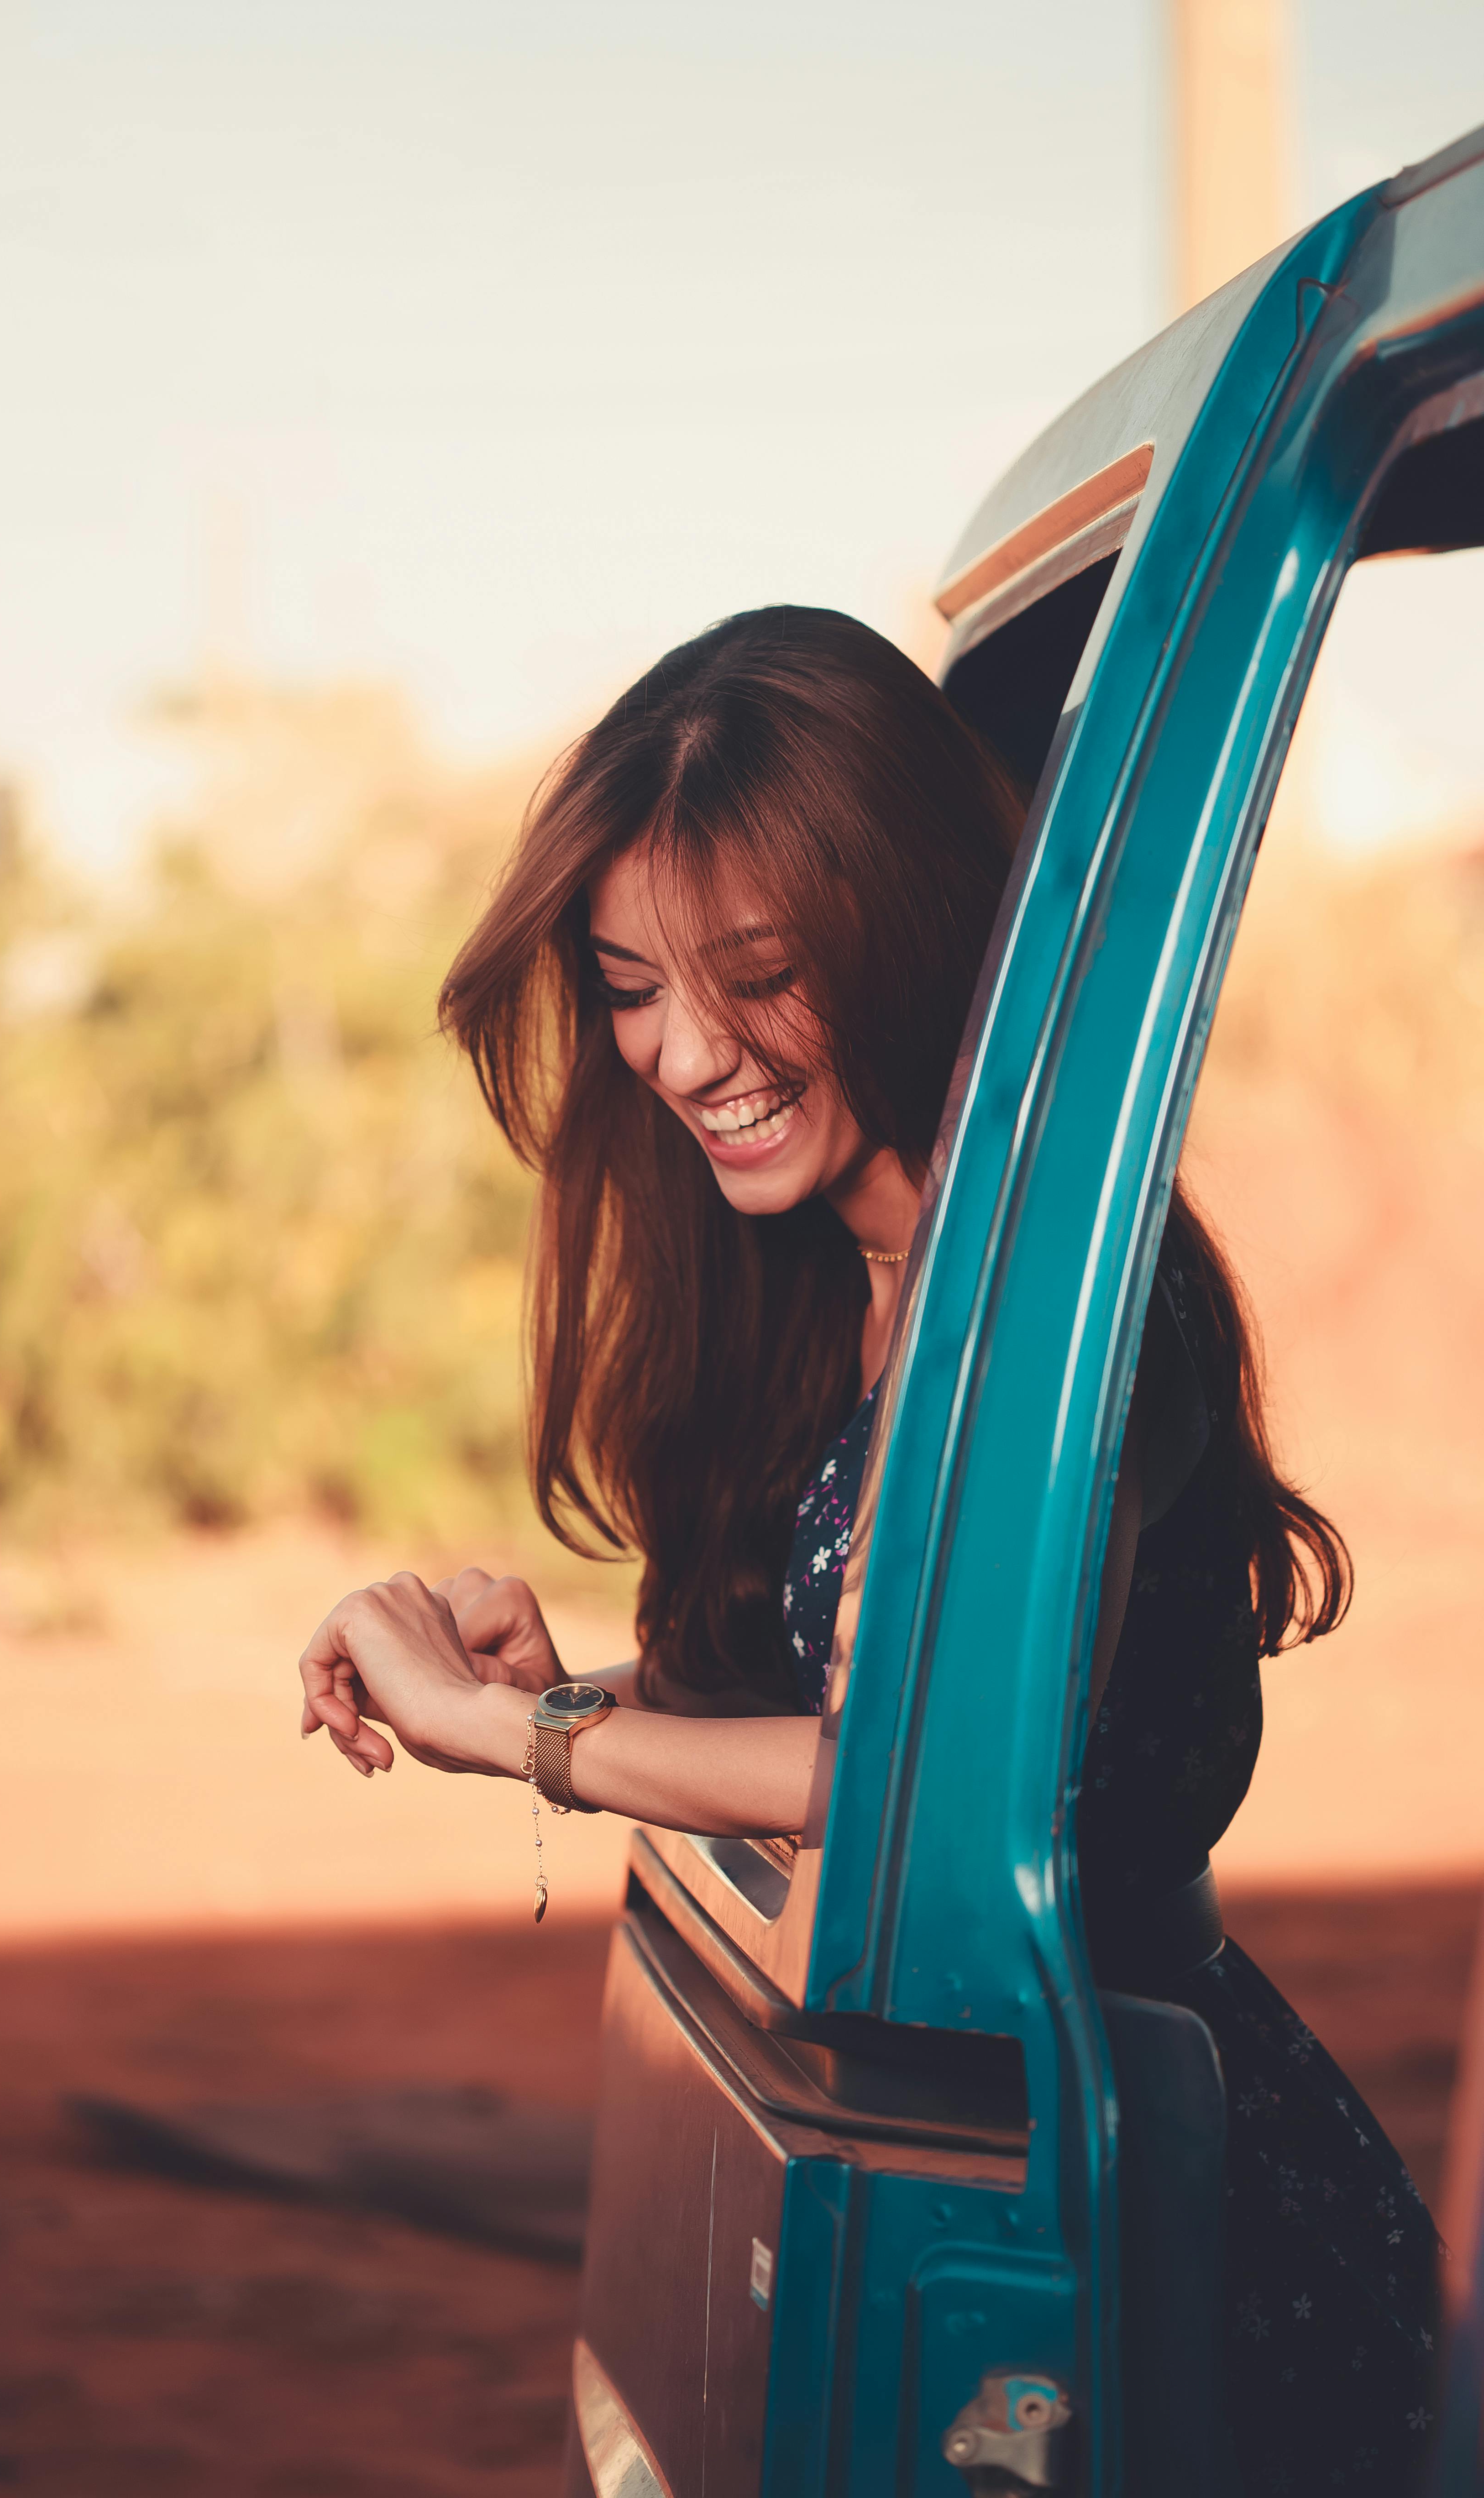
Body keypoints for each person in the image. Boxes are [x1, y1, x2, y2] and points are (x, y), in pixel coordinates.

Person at [295, 606, 1437, 2493]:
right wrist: (558, 1678)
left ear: (902, 928)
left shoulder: (1068, 1308)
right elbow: (836, 1686)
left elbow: (901, 1774)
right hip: (965, 2151)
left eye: (758, 974)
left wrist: (524, 1747)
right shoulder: (841, 1281)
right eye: (632, 985)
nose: (686, 1055)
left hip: (1140, 2212)